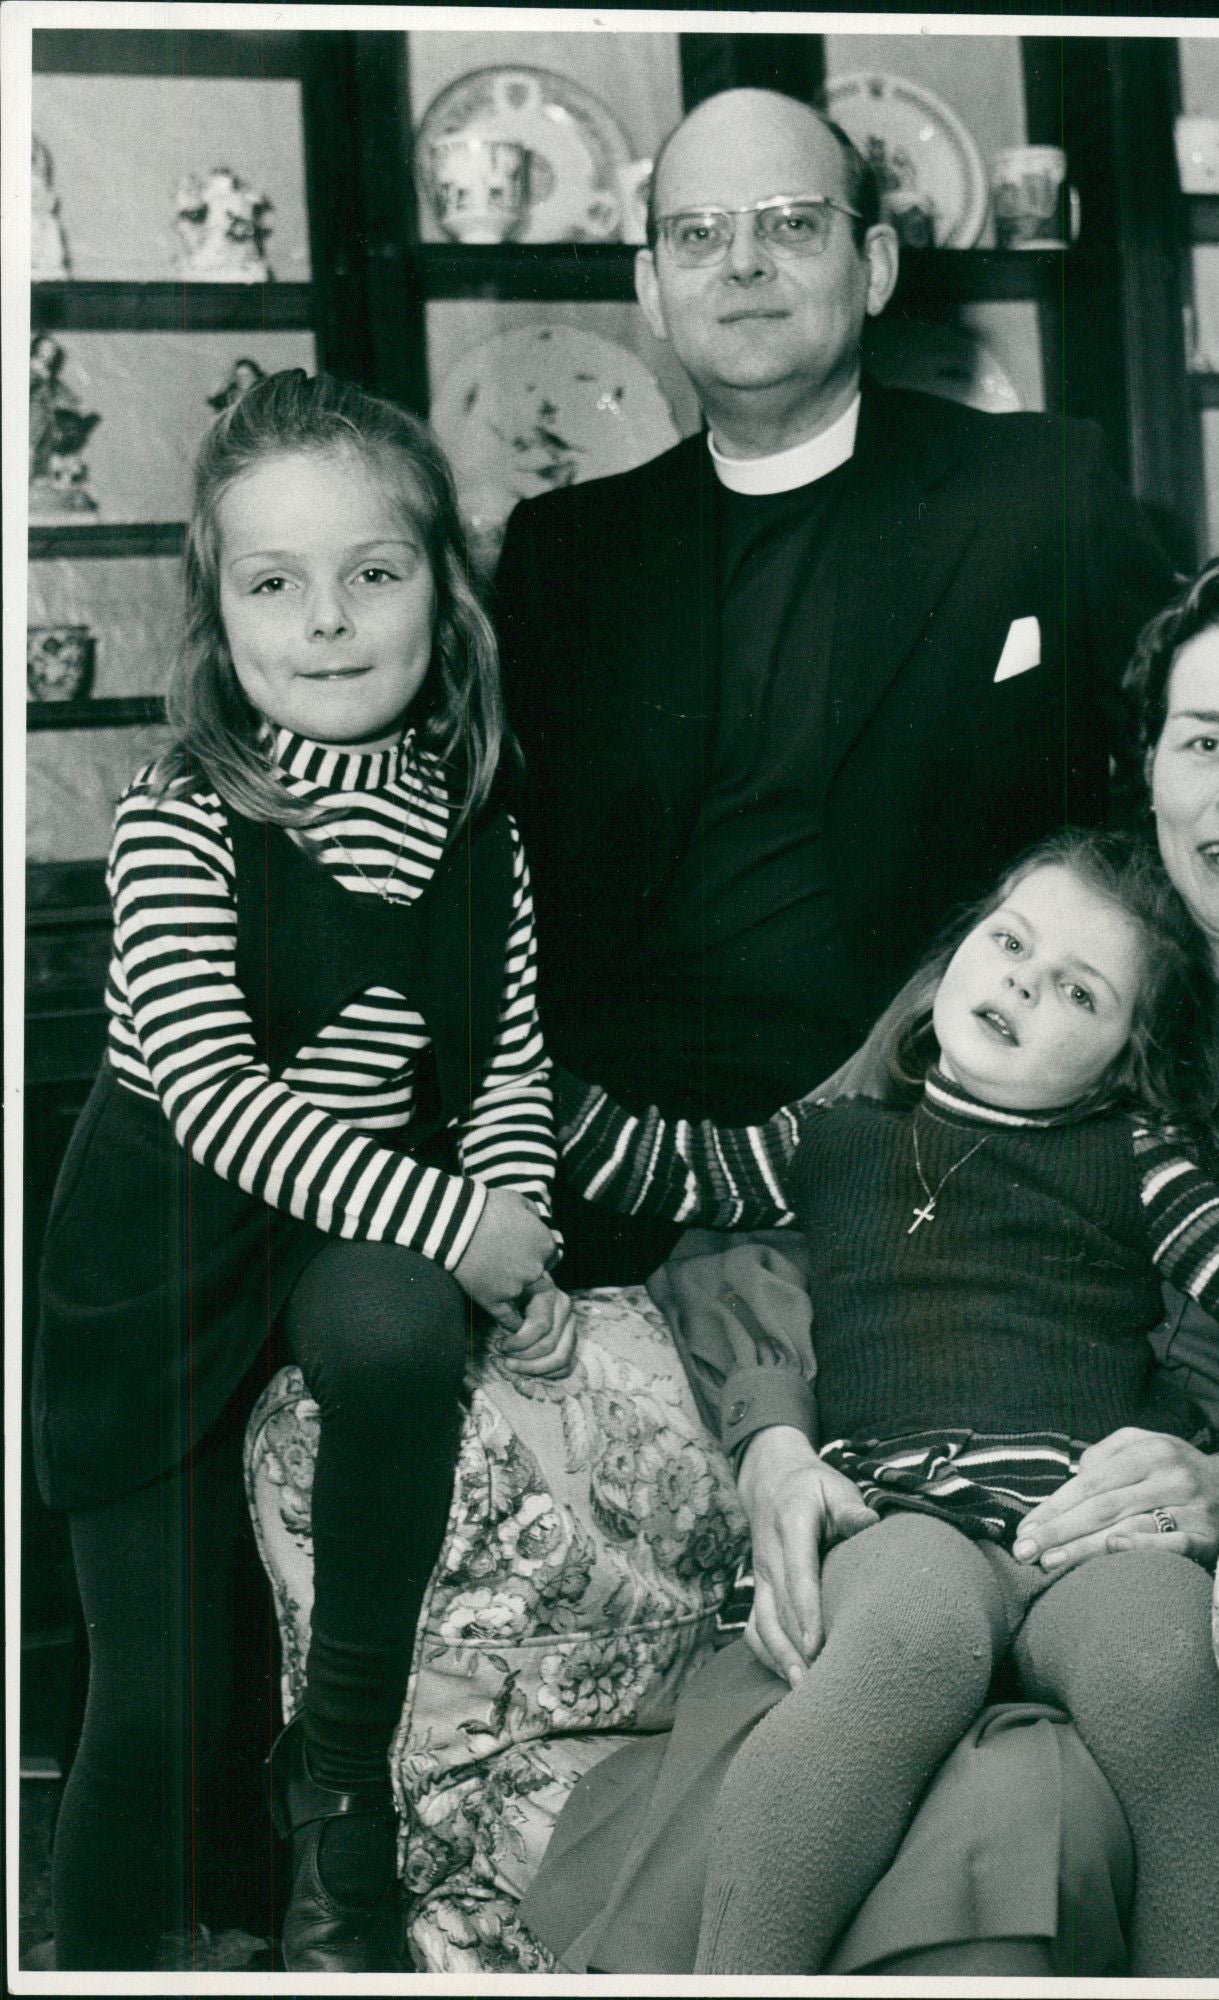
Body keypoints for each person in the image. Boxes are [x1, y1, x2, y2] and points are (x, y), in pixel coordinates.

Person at [521, 539, 1219, 1976]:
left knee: (1074, 1786)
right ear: (1143, 758)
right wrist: (772, 1444)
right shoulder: (991, 983)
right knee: (940, 1766)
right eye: (1201, 741)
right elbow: (763, 1211)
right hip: (909, 1577)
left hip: (1150, 1628)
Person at [33, 370, 578, 1973]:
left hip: (339, 1229)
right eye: (275, 583)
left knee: (399, 1332)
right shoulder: (179, 817)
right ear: (218, 616)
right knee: (158, 1692)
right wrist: (458, 1225)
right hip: (162, 1257)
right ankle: (108, 1958)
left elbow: (505, 1068)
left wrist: (518, 1233)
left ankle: (338, 1772)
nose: (327, 621)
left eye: (373, 573)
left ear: (441, 592)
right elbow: (211, 1100)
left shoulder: (478, 825)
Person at [492, 85, 1177, 1287]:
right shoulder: (565, 552)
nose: (741, 264)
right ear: (650, 289)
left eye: (790, 224)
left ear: (873, 263)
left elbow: (1194, 770)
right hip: (618, 1158)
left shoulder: (1036, 490)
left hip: (941, 1131)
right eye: (697, 235)